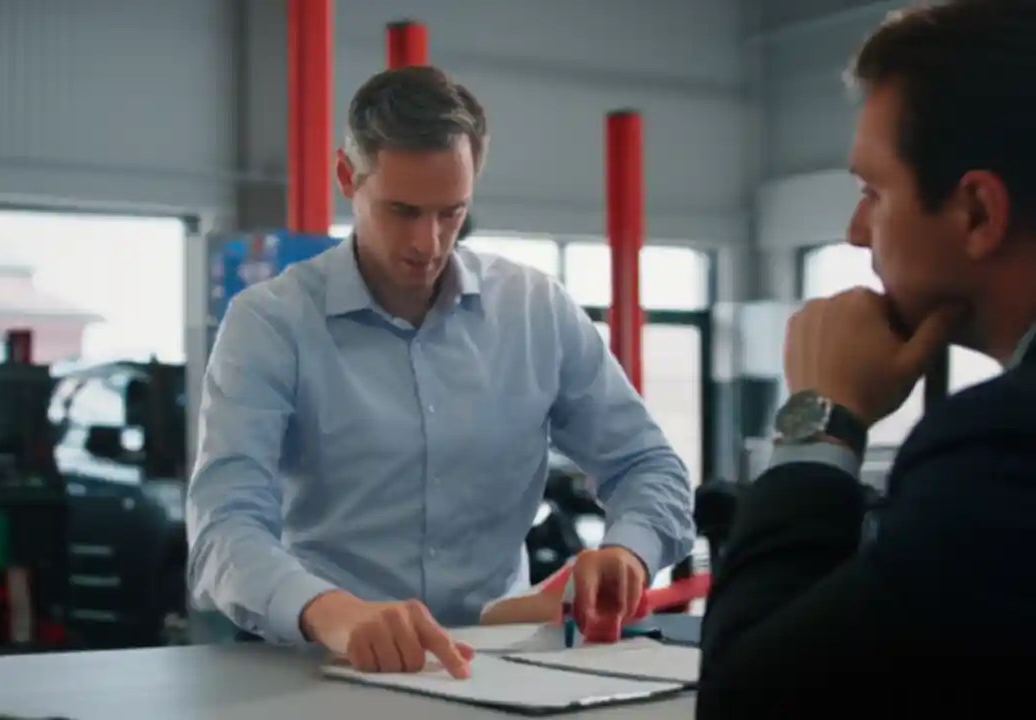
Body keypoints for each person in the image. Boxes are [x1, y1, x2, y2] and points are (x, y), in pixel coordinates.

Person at [186, 65, 694, 677]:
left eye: (451, 213)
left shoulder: (536, 311)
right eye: (402, 211)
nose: (427, 243)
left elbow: (648, 465)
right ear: (348, 177)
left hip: (500, 666)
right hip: (321, 665)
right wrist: (333, 611)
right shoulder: (270, 324)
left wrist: (627, 552)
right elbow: (223, 528)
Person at [699, 0, 1036, 715]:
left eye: (872, 192)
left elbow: (753, 701)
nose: (856, 234)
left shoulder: (1004, 446)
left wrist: (817, 424)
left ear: (977, 210)